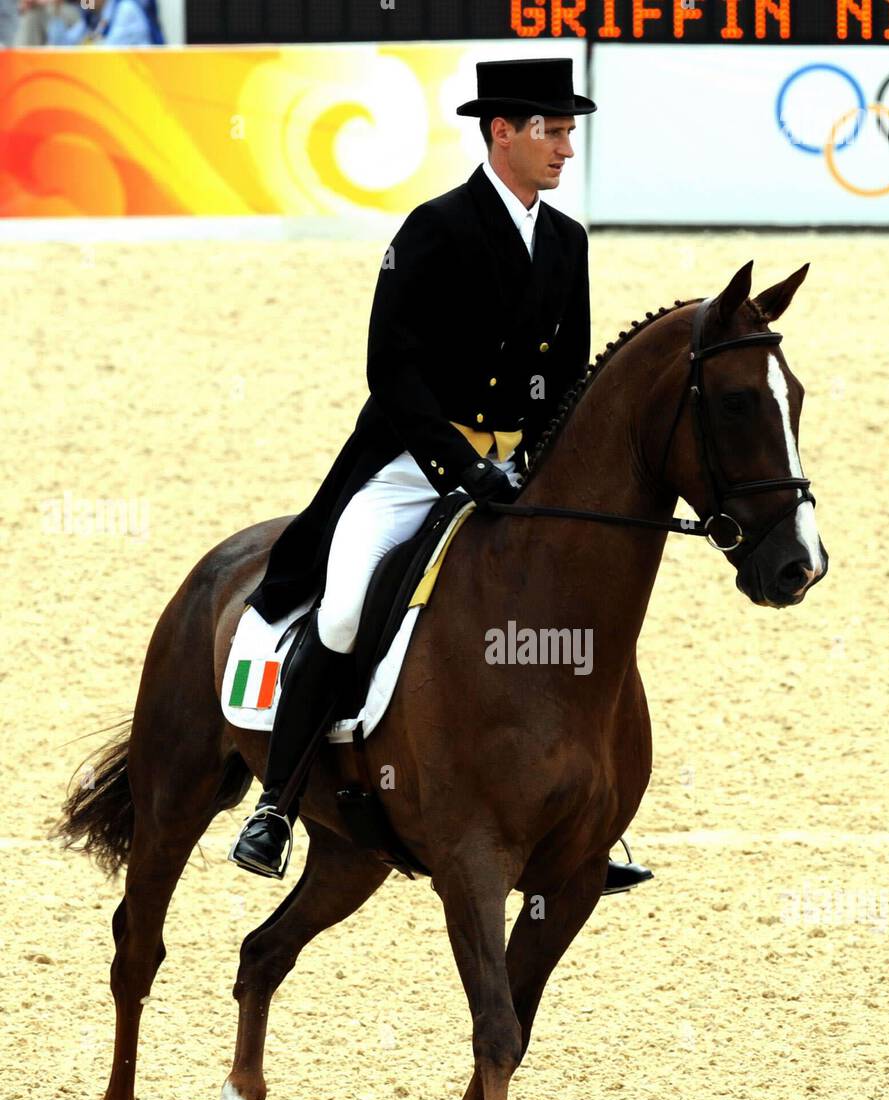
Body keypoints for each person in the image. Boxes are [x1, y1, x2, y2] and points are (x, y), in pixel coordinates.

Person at [230, 57, 653, 896]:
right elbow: (392, 370)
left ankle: (583, 821)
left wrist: (535, 467)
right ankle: (277, 803)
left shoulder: (566, 241)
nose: (566, 148)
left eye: (569, 131)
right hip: (408, 467)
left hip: (513, 473)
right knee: (347, 607)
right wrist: (458, 466)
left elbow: (568, 379)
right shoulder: (434, 229)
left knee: (568, 608)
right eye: (552, 130)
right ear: (502, 131)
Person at [36, 0, 164, 45]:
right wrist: (56, 9)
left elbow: (104, 57)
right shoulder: (92, 16)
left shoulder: (126, 9)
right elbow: (62, 46)